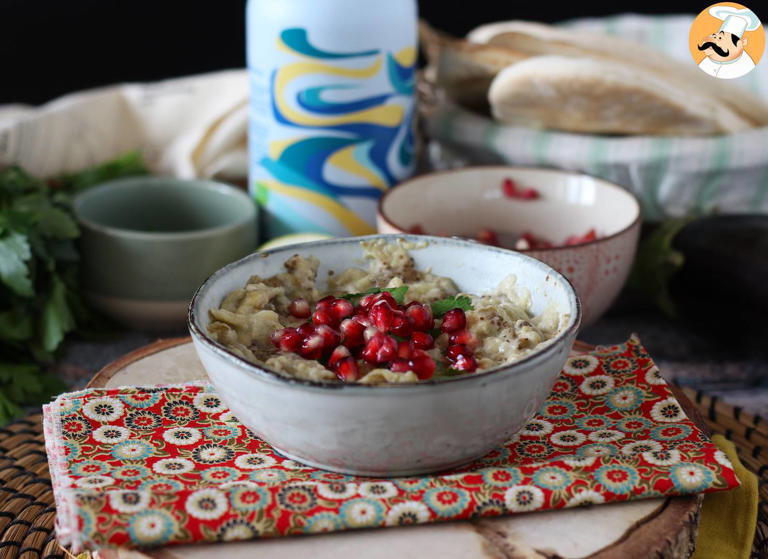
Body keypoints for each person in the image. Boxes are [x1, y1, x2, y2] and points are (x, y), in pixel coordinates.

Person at [697, 5, 760, 79]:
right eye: (714, 36)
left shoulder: (746, 67)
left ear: (740, 43)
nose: (713, 42)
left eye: (720, 38)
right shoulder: (706, 61)